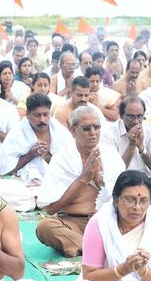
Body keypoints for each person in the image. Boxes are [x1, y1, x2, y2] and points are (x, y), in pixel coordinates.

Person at [36, 106, 126, 257]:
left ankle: (83, 246)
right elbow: (50, 209)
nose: (93, 133)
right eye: (86, 128)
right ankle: (98, 248)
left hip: (106, 221)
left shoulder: (111, 155)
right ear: (73, 130)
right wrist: (84, 178)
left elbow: (122, 197)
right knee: (45, 227)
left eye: (96, 127)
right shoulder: (62, 158)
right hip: (72, 223)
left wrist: (98, 180)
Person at [0, 92, 72, 184]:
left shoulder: (59, 130)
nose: (42, 120)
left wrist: (47, 156)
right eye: (37, 115)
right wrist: (31, 154)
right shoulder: (17, 133)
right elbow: (4, 170)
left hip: (58, 180)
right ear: (27, 115)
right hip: (24, 182)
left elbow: (70, 162)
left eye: (46, 114)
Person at [101, 96, 151, 186]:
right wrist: (131, 145)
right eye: (131, 117)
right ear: (121, 116)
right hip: (120, 183)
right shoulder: (109, 133)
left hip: (147, 181)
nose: (136, 121)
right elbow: (113, 172)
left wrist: (141, 148)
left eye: (139, 116)